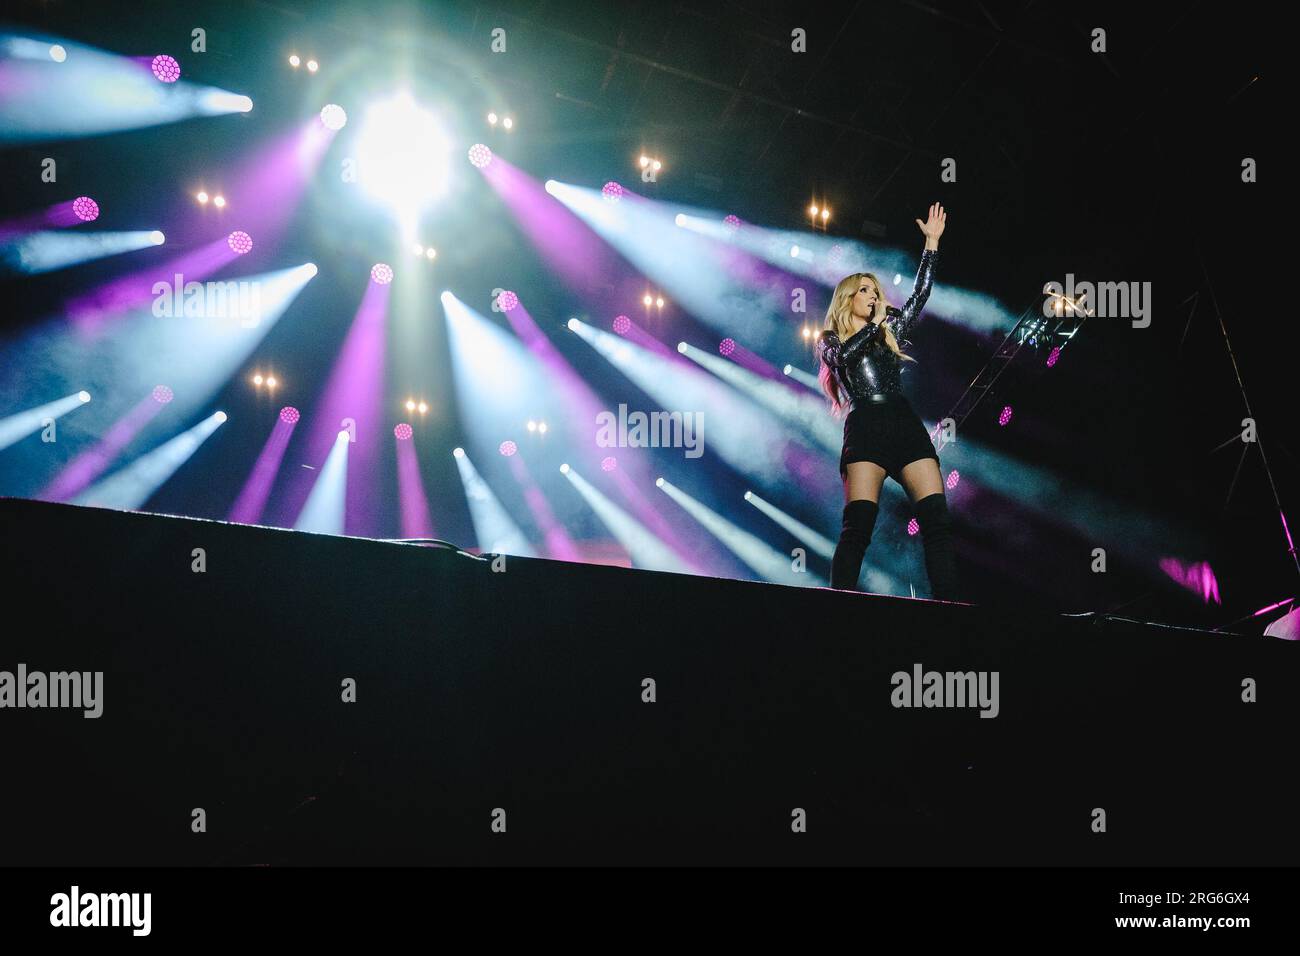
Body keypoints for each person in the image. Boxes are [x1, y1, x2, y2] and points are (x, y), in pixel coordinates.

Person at [816, 202, 959, 599]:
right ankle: (838, 603)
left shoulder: (887, 328)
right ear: (848, 299)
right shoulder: (831, 340)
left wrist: (931, 244)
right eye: (864, 290)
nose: (873, 295)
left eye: (875, 290)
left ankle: (951, 607)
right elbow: (846, 359)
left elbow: (921, 294)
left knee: (937, 521)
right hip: (865, 428)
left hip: (902, 421)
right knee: (858, 525)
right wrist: (876, 325)